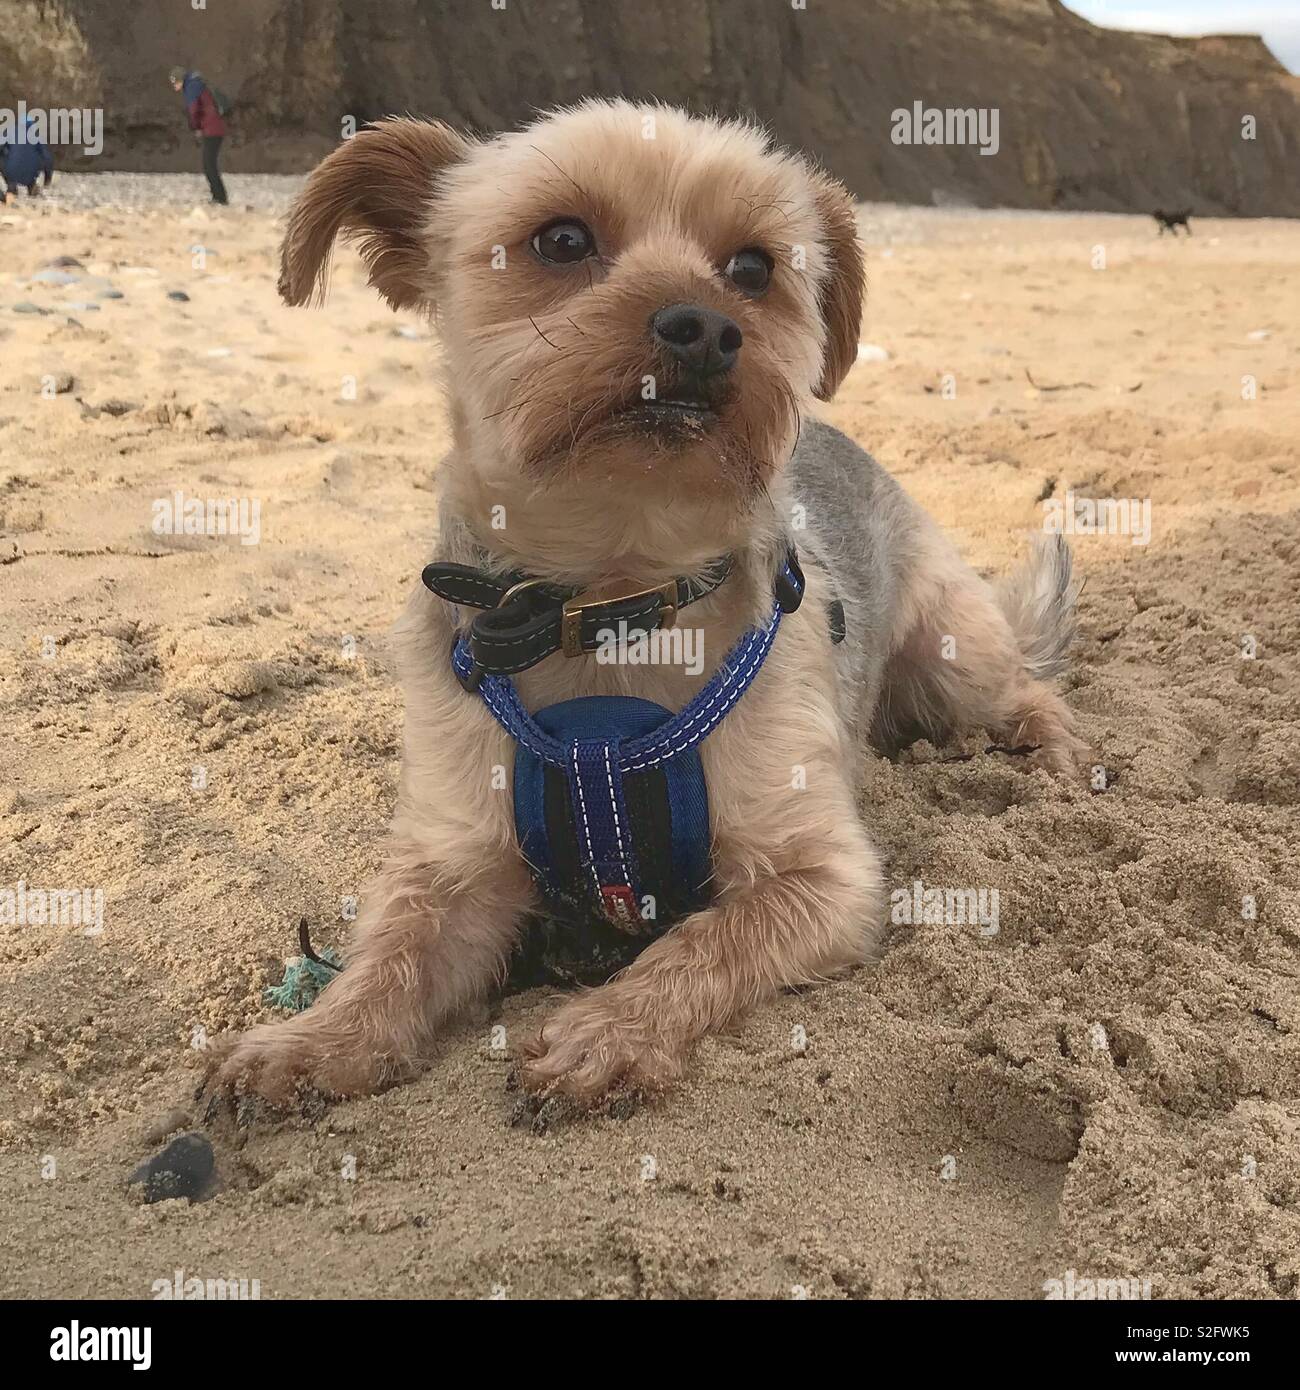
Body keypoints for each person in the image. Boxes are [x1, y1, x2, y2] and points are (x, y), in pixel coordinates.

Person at [169, 66, 228, 205]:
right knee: (210, 164)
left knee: (209, 165)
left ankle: (220, 198)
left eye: (175, 82)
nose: (174, 86)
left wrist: (195, 127)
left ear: (179, 80)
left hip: (211, 130)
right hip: (215, 128)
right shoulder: (198, 84)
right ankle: (219, 196)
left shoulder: (192, 88)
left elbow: (194, 110)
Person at [1, 114, 54, 204]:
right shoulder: (37, 138)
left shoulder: (10, 132)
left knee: (4, 158)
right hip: (31, 174)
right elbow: (47, 158)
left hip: (11, 172)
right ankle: (31, 185)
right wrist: (47, 179)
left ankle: (11, 185)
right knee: (36, 156)